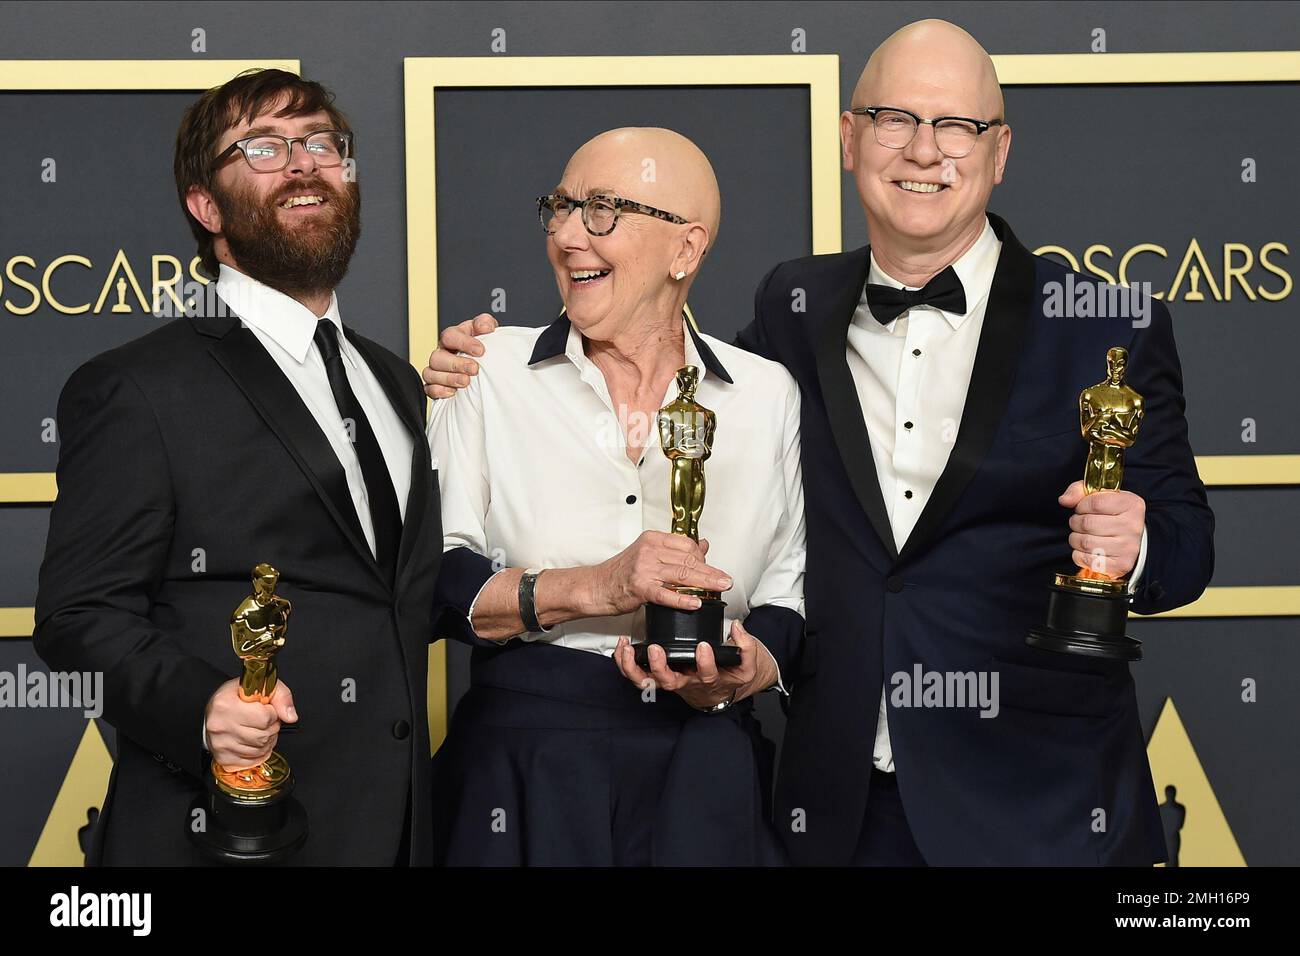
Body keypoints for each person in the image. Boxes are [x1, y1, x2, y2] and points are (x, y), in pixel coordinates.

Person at [422, 20, 1214, 866]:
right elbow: (665, 356)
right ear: (849, 138)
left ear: (1000, 150)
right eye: (893, 119)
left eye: (955, 126)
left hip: (1041, 801)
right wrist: (464, 368)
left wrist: (1131, 549)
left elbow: (1186, 543)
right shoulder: (792, 309)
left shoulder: (1101, 322)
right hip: (837, 807)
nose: (922, 150)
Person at [34, 68, 443, 865]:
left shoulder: (395, 380)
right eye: (262, 147)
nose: (302, 162)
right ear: (206, 205)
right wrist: (203, 707)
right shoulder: (139, 387)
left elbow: (401, 597)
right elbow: (77, 618)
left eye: (321, 142)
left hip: (393, 832)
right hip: (222, 833)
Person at [426, 127, 804, 866]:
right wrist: (597, 585)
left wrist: (740, 672)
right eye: (560, 208)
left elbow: (791, 591)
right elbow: (435, 579)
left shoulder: (767, 393)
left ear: (686, 250)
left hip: (708, 760)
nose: (568, 236)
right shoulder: (486, 369)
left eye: (602, 211)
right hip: (525, 762)